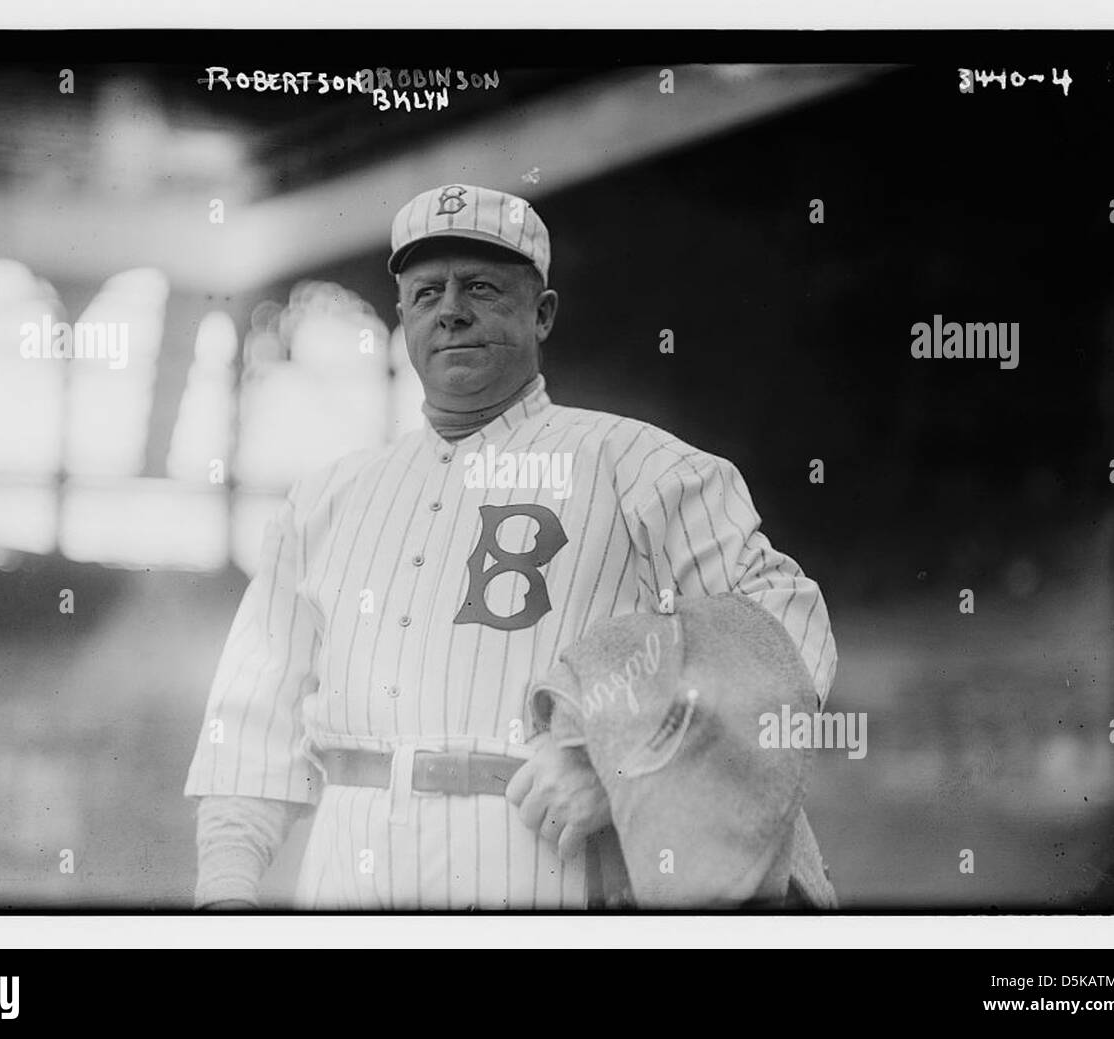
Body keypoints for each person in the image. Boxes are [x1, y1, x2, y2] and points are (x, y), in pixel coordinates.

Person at [185, 183, 837, 909]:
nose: (452, 308)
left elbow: (790, 633)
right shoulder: (326, 497)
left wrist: (622, 756)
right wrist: (226, 893)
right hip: (348, 869)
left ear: (543, 312)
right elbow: (250, 726)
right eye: (427, 291)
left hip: (546, 867)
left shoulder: (643, 466)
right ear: (402, 316)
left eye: (483, 286)